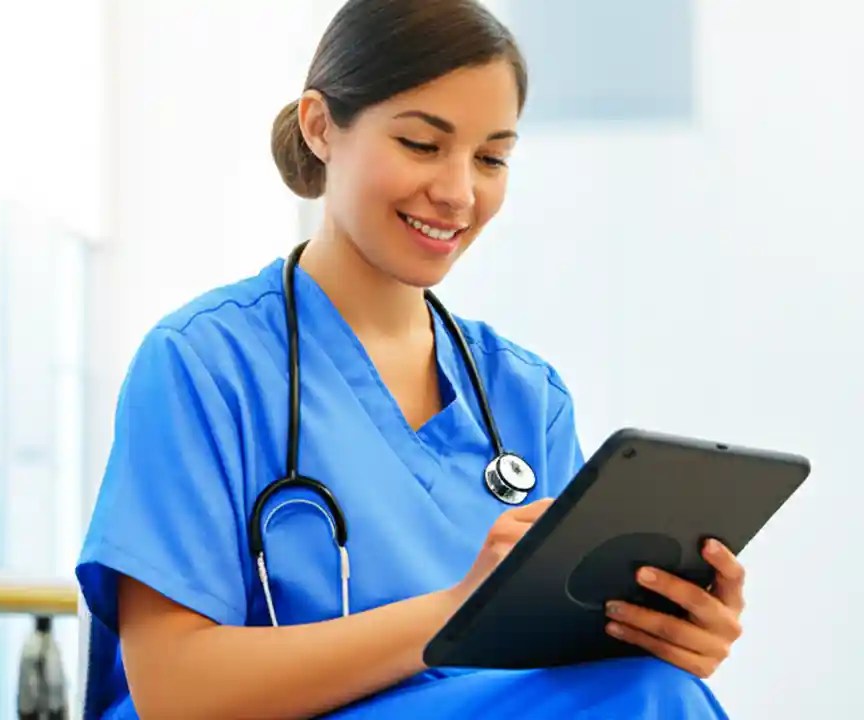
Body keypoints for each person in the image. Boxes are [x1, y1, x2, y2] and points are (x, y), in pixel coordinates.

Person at [75, 0, 746, 717]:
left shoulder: (525, 397)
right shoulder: (205, 365)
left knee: (658, 688)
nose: (459, 193)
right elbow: (175, 690)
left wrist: (668, 632)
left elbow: (560, 670)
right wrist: (455, 611)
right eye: (423, 145)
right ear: (320, 125)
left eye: (491, 158)